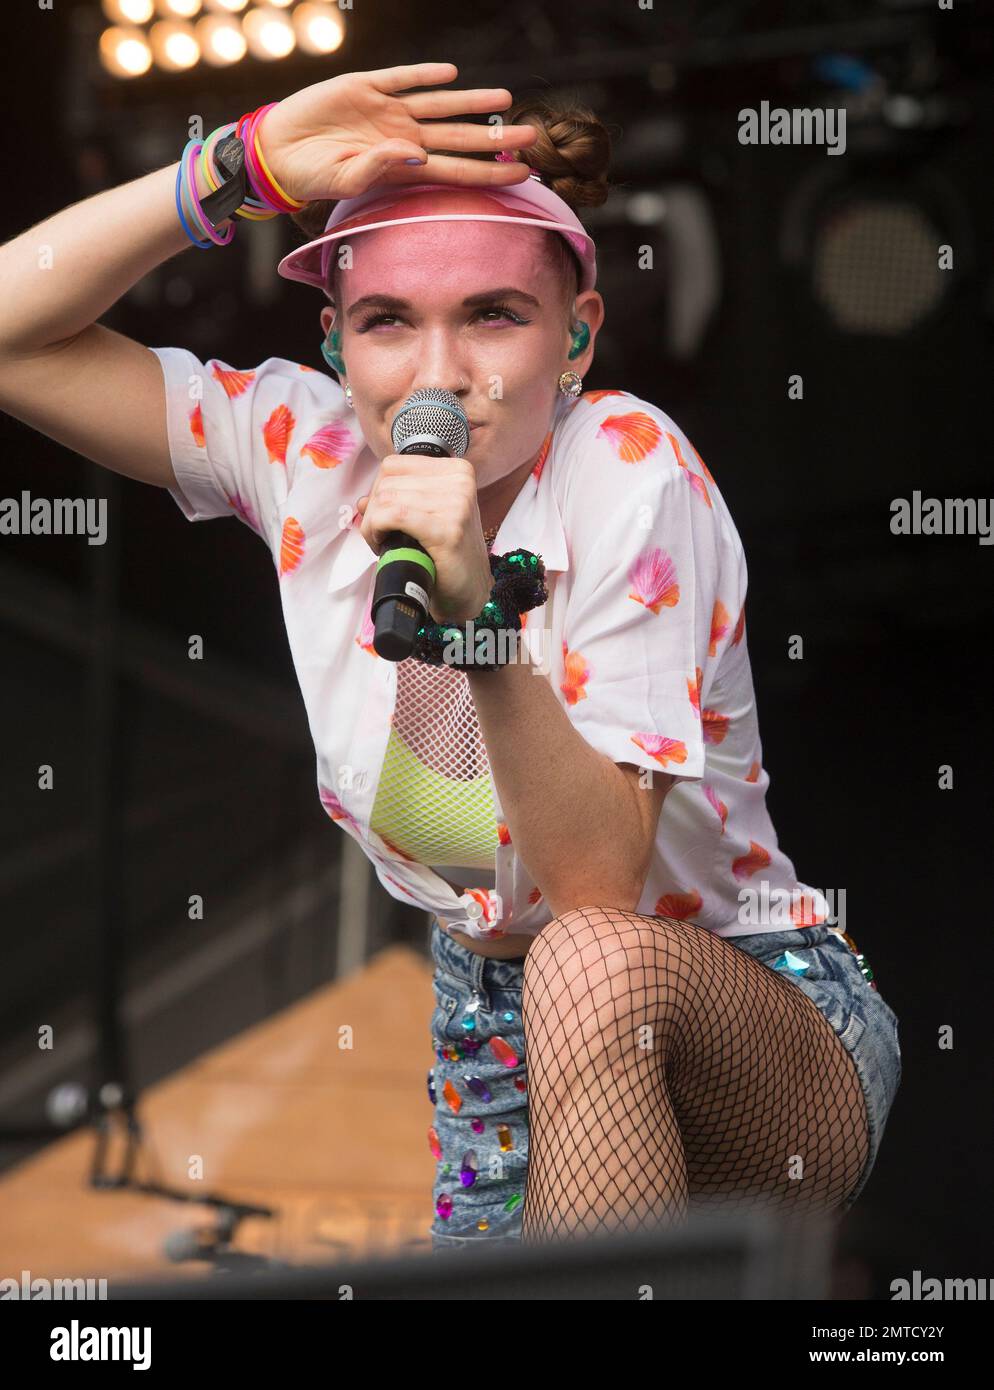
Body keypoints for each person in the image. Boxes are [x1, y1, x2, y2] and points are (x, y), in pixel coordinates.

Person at [0, 62, 901, 1253]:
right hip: (496, 1035)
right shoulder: (301, 451)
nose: (437, 375)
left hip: (747, 1008)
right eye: (386, 322)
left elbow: (592, 893)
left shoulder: (628, 470)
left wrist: (481, 625)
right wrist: (235, 166)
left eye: (491, 315)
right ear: (332, 346)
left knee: (586, 963)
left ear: (575, 337)